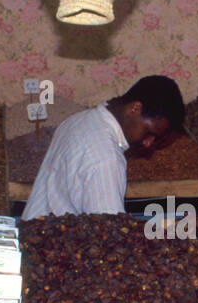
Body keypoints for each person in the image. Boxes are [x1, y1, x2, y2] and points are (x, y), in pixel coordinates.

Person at [21, 75, 185, 220]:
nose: (148, 143)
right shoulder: (106, 159)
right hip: (49, 247)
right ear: (135, 108)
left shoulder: (79, 120)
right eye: (149, 133)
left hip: (34, 232)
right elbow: (108, 237)